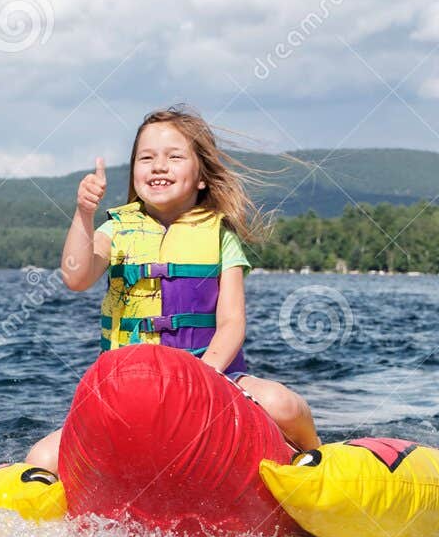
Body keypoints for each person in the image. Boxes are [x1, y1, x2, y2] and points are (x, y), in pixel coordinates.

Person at [25, 106, 320, 471]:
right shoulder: (116, 231)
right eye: (146, 157)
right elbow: (75, 276)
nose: (158, 166)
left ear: (201, 177)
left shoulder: (219, 236)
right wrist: (84, 214)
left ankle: (312, 458)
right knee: (40, 458)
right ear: (134, 173)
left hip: (213, 379)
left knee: (282, 404)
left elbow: (232, 323)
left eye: (174, 157)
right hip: (129, 391)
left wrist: (203, 380)